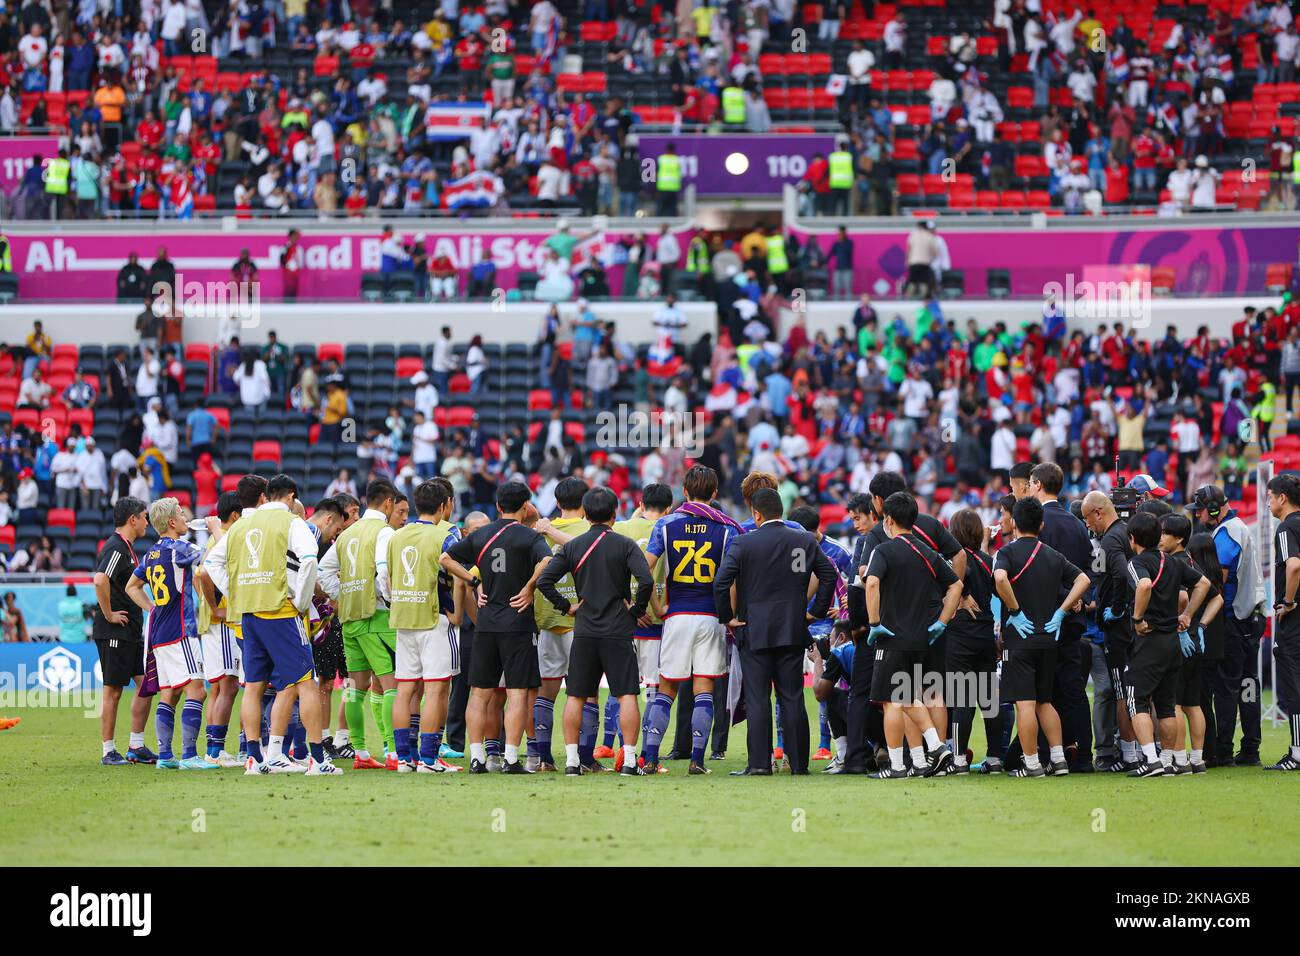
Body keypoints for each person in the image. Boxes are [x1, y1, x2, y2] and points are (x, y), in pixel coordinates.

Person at [204, 473, 339, 775]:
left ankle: (254, 758)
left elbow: (212, 563)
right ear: (290, 496)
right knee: (306, 684)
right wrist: (302, 602)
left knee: (252, 687)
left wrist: (235, 592)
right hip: (281, 612)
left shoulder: (240, 526)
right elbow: (308, 560)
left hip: (249, 614)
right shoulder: (293, 523)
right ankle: (316, 760)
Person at [715, 486, 838, 777]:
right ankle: (799, 765)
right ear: (780, 511)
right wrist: (815, 612)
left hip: (753, 629)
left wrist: (727, 618)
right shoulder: (803, 540)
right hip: (792, 629)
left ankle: (759, 764)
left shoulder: (744, 544)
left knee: (758, 698)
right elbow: (829, 574)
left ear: (755, 514)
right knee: (792, 697)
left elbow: (721, 582)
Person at [537, 486, 654, 777]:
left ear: (586, 515)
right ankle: (628, 761)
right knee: (627, 693)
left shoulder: (574, 546)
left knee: (575, 695)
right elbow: (646, 581)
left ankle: (573, 762)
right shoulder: (625, 545)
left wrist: (567, 606)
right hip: (617, 629)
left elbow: (544, 581)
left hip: (585, 629)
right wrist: (636, 611)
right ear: (614, 515)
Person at [440, 481, 553, 774]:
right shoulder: (529, 537)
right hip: (518, 623)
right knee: (517, 694)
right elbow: (548, 561)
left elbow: (446, 559)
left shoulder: (482, 535)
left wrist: (474, 582)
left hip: (487, 624)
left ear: (498, 506)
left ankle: (477, 757)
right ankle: (512, 759)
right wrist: (529, 587)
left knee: (479, 692)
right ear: (526, 506)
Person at [860, 490, 963, 778]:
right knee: (914, 694)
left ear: (888, 520)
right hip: (922, 637)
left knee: (893, 699)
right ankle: (920, 761)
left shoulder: (883, 550)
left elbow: (871, 584)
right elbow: (956, 586)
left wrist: (874, 622)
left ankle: (908, 760)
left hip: (892, 636)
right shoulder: (927, 552)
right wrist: (943, 620)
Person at [641, 465, 737, 775]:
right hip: (710, 617)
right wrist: (730, 616)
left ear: (684, 492)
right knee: (704, 689)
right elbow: (732, 578)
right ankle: (697, 760)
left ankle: (651, 759)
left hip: (677, 615)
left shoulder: (666, 525)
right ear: (713, 494)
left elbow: (643, 569)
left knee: (667, 689)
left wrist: (656, 605)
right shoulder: (727, 528)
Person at [993, 496, 1091, 777]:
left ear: (1013, 522)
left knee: (1025, 703)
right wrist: (1061, 612)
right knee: (1044, 702)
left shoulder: (1007, 553)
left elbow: (1000, 579)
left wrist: (1013, 611)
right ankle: (1059, 759)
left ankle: (1032, 763)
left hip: (1020, 638)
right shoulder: (1052, 554)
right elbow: (1083, 580)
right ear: (1042, 524)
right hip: (1049, 637)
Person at [124, 498, 219, 771]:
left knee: (169, 694)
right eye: (180, 513)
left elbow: (133, 586)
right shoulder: (180, 548)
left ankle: (165, 755)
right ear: (171, 523)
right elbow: (214, 559)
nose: (185, 516)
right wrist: (214, 530)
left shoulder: (150, 554)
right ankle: (189, 755)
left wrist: (151, 608)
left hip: (158, 631)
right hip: (180, 630)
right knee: (197, 691)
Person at [318, 479, 403, 769]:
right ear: (389, 502)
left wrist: (342, 596)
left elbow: (324, 571)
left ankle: (362, 754)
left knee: (355, 686)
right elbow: (382, 570)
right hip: (377, 617)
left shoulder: (347, 533)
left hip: (350, 619)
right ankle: (393, 752)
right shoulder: (384, 532)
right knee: (392, 685)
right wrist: (390, 601)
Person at [380, 479, 464, 773]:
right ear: (443, 507)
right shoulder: (445, 537)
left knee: (405, 689)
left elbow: (387, 580)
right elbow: (458, 576)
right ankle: (428, 759)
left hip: (404, 619)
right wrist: (456, 614)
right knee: (436, 689)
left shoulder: (396, 536)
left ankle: (404, 759)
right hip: (433, 618)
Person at [1123, 511, 1210, 777]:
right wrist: (1187, 616)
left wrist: (1137, 619)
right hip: (1172, 642)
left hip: (1149, 641)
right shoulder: (1172, 562)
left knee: (1135, 700)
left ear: (1132, 538)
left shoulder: (1136, 563)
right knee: (1166, 705)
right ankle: (1168, 759)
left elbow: (1145, 585)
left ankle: (1151, 760)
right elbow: (1203, 583)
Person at [1028, 461, 1096, 771]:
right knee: (1073, 689)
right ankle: (1083, 755)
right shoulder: (1077, 524)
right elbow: (1085, 572)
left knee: (1043, 692)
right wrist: (1076, 602)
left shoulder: (1039, 524)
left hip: (1043, 620)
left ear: (1038, 485)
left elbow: (1039, 572)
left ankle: (1045, 754)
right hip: (1073, 619)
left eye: (1030, 484)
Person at [1190, 483, 1262, 766]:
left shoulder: (1227, 533)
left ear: (1213, 508)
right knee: (1247, 684)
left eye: (1200, 511)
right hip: (1250, 617)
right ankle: (1250, 747)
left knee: (1228, 687)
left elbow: (1216, 580)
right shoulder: (1237, 528)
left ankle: (1224, 750)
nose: (1198, 517)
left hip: (1234, 619)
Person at [528, 477, 590, 771]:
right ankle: (584, 759)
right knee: (586, 695)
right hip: (581, 623)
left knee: (546, 693)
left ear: (557, 502)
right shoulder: (590, 531)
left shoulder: (539, 532)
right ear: (585, 502)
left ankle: (544, 759)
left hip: (548, 619)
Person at [93, 497, 156, 766]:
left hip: (130, 631)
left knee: (146, 687)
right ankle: (108, 751)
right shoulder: (116, 547)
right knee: (113, 691)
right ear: (133, 519)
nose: (147, 522)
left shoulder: (127, 548)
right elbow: (99, 580)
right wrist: (108, 614)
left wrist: (150, 609)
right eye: (144, 516)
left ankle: (136, 746)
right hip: (114, 632)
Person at [1081, 490, 1141, 771]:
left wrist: (1117, 608)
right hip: (1132, 623)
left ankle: (1129, 755)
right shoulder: (1126, 533)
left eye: (1087, 519)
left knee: (1120, 691)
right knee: (1137, 691)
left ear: (1098, 512)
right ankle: (1143, 751)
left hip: (1118, 628)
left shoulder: (1110, 541)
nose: (1088, 526)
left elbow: (1120, 575)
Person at [1159, 512, 1223, 774]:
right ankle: (1197, 758)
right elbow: (1216, 597)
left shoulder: (1173, 564)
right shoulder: (1192, 563)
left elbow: (1183, 598)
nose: (1160, 537)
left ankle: (1179, 758)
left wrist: (1182, 622)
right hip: (1196, 641)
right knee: (1193, 703)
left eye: (1164, 533)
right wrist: (1202, 626)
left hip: (1178, 641)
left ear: (1179, 538)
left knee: (1173, 703)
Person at [946, 508, 1005, 773]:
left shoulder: (951, 562)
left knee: (962, 698)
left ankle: (958, 758)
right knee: (989, 698)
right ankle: (994, 756)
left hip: (959, 634)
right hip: (984, 633)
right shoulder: (988, 560)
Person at [194, 491, 244, 767]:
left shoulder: (214, 539)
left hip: (211, 623)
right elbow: (203, 575)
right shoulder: (224, 540)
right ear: (235, 516)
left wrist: (206, 605)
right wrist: (215, 608)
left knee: (218, 689)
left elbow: (196, 577)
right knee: (228, 687)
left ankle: (213, 750)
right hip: (222, 623)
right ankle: (217, 751)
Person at [1267, 474, 1300, 772]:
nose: (1267, 503)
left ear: (1282, 498)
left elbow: (1294, 565)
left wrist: (1288, 601)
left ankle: (1298, 752)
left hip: (1295, 619)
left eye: (1270, 497)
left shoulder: (1286, 528)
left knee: (1293, 684)